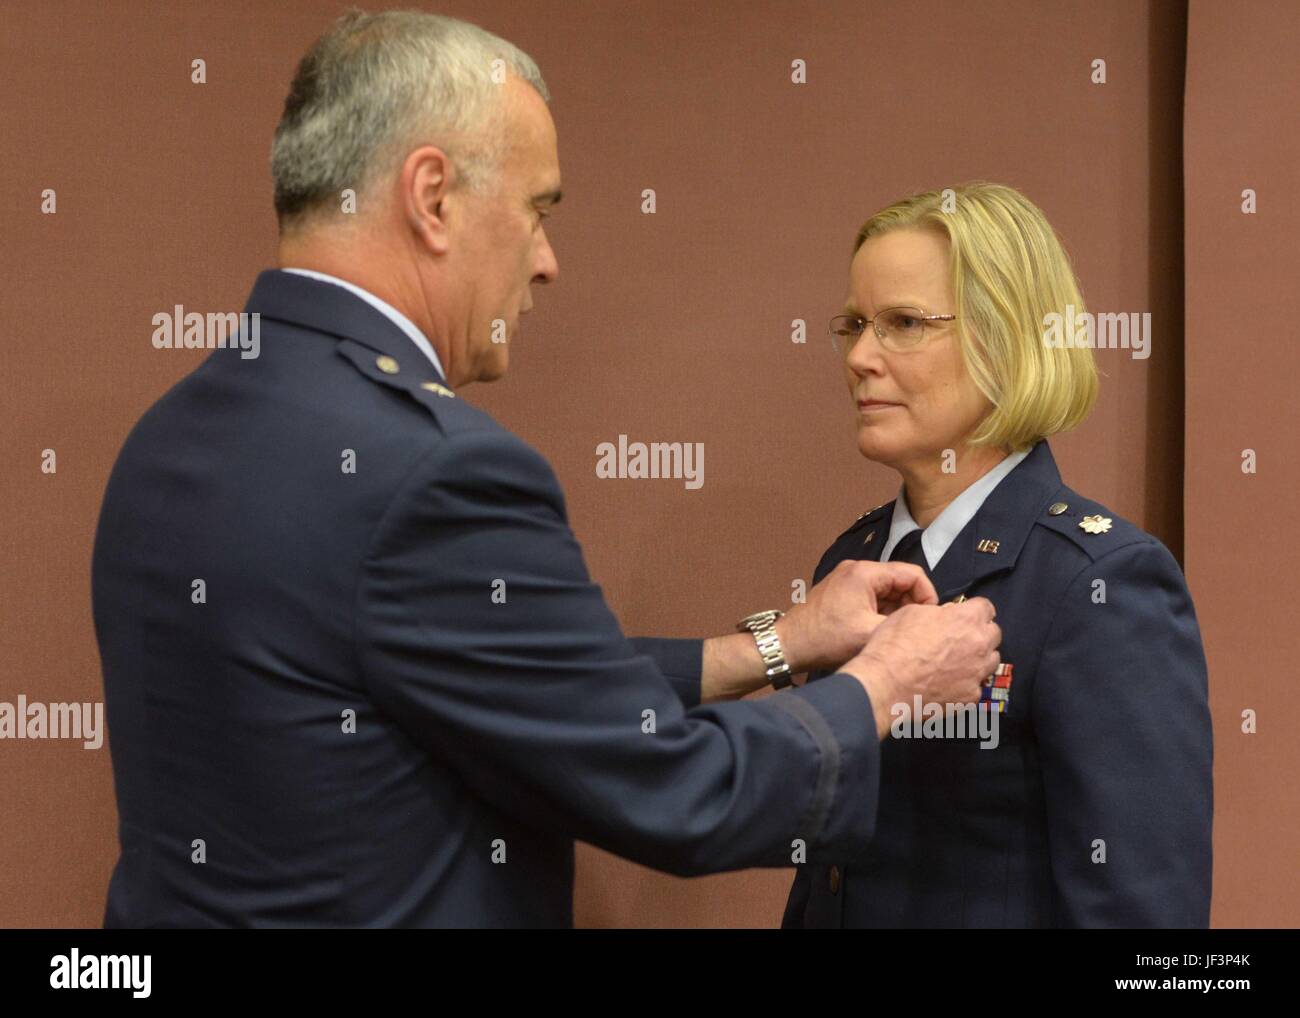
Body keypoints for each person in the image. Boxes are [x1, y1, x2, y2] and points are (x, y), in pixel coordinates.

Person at [91, 11, 1000, 928]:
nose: (548, 262)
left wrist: (778, 646)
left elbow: (488, 675)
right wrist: (886, 685)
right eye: (538, 210)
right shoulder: (434, 473)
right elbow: (675, 788)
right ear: (433, 198)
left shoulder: (169, 437)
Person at [779, 182, 1213, 928]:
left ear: (1005, 340)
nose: (860, 357)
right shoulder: (851, 563)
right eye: (853, 325)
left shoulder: (1098, 583)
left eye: (903, 323)